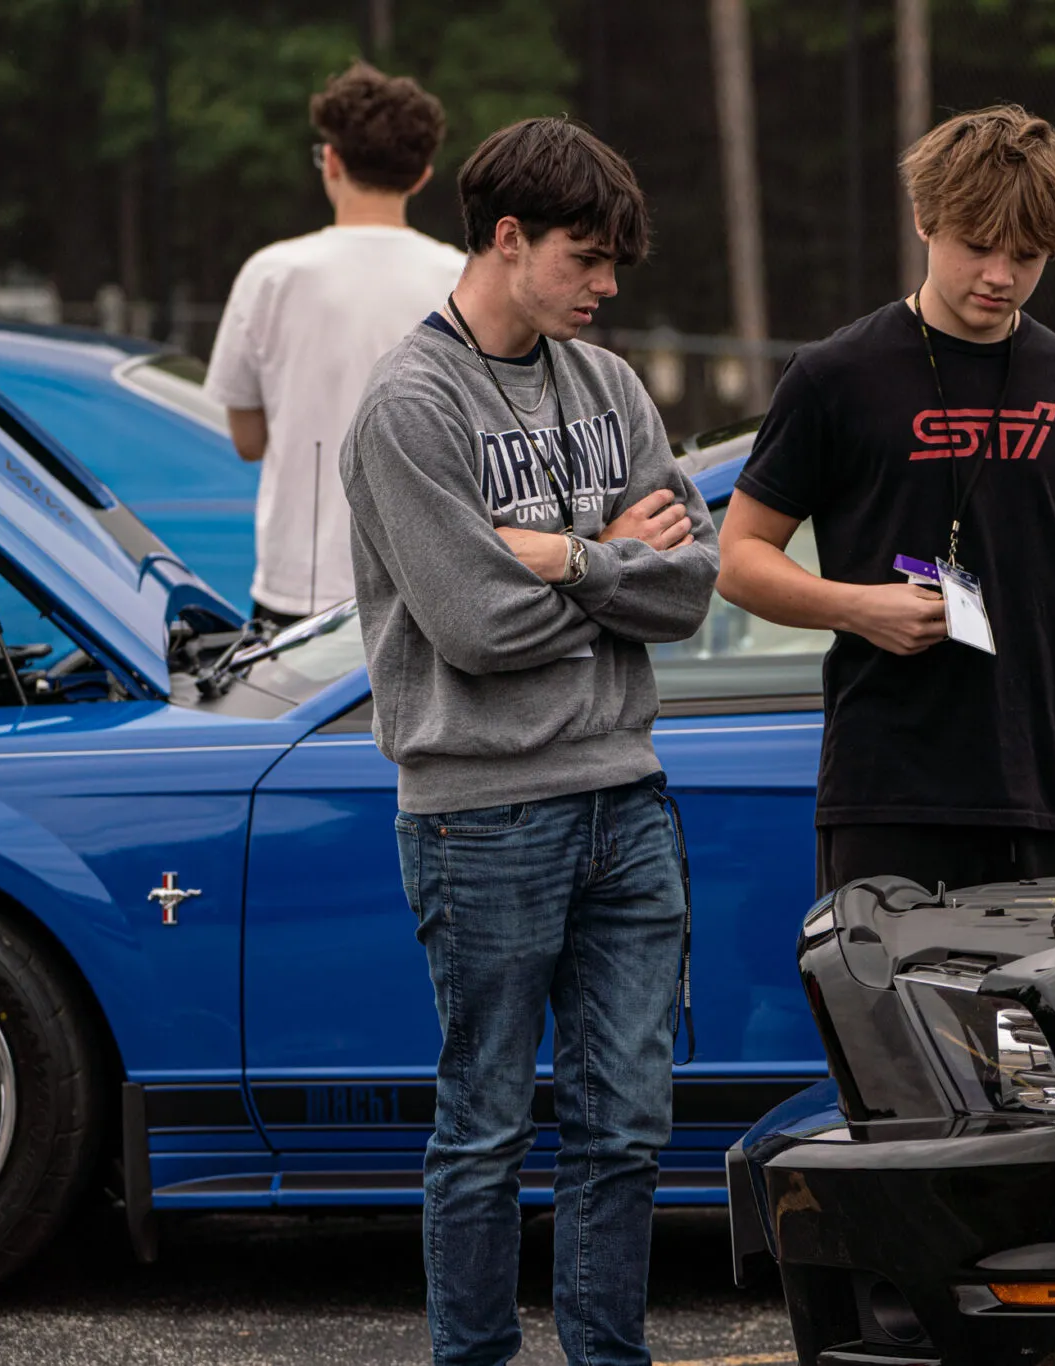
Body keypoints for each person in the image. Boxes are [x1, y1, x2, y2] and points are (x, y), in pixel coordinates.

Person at [339, 116, 717, 1366]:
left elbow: (695, 586)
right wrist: (618, 558)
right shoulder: (408, 405)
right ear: (508, 240)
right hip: (482, 814)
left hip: (630, 797)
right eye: (588, 259)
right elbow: (476, 626)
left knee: (626, 1124)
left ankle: (609, 1357)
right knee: (486, 1125)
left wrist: (561, 555)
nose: (607, 287)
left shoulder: (607, 386)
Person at [718, 105, 1055, 894]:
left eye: (1028, 256)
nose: (1001, 275)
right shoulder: (834, 377)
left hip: (1053, 800)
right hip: (888, 794)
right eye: (980, 246)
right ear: (925, 220)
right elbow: (740, 560)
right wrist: (858, 608)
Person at [206, 60, 465, 627]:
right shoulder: (462, 279)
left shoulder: (271, 273)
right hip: (434, 587)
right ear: (422, 174)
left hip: (300, 585)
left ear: (333, 162)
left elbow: (248, 440)